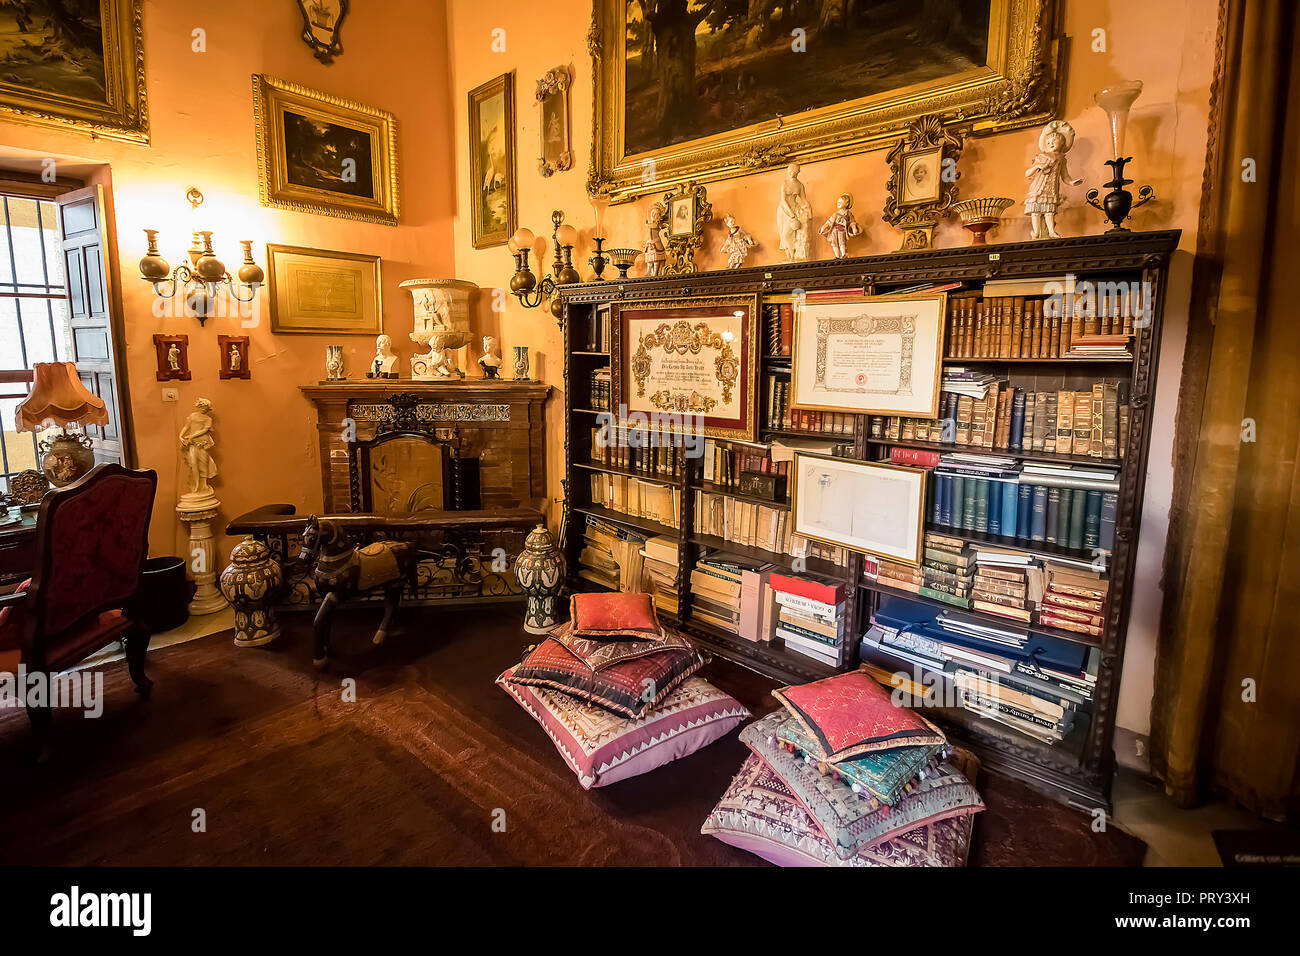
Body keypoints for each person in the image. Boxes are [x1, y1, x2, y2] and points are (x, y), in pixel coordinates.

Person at [1025, 120, 1082, 240]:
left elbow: (1065, 176)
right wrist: (1037, 166)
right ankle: (1036, 232)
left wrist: (1072, 182)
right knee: (1036, 210)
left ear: (1062, 144)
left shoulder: (1062, 159)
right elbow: (1028, 173)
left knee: (1049, 210)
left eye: (1054, 141)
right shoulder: (1041, 156)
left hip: (1051, 189)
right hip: (1038, 187)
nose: (1051, 144)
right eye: (1048, 142)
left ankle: (1051, 231)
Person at [179, 398, 218, 497]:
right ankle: (196, 485)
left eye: (206, 408)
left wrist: (192, 436)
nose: (205, 409)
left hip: (203, 442)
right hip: (192, 443)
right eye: (203, 407)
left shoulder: (208, 419)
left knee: (203, 464)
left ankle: (203, 485)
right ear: (199, 406)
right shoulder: (192, 416)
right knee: (193, 463)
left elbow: (204, 430)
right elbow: (186, 427)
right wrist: (180, 436)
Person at [777, 163, 813, 261]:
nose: (791, 173)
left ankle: (793, 256)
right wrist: (791, 214)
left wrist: (808, 208)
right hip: (784, 210)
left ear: (797, 172)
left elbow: (803, 199)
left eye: (794, 170)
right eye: (790, 170)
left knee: (793, 232)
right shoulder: (784, 184)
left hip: (795, 208)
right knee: (784, 234)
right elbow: (783, 200)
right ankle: (790, 256)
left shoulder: (800, 185)